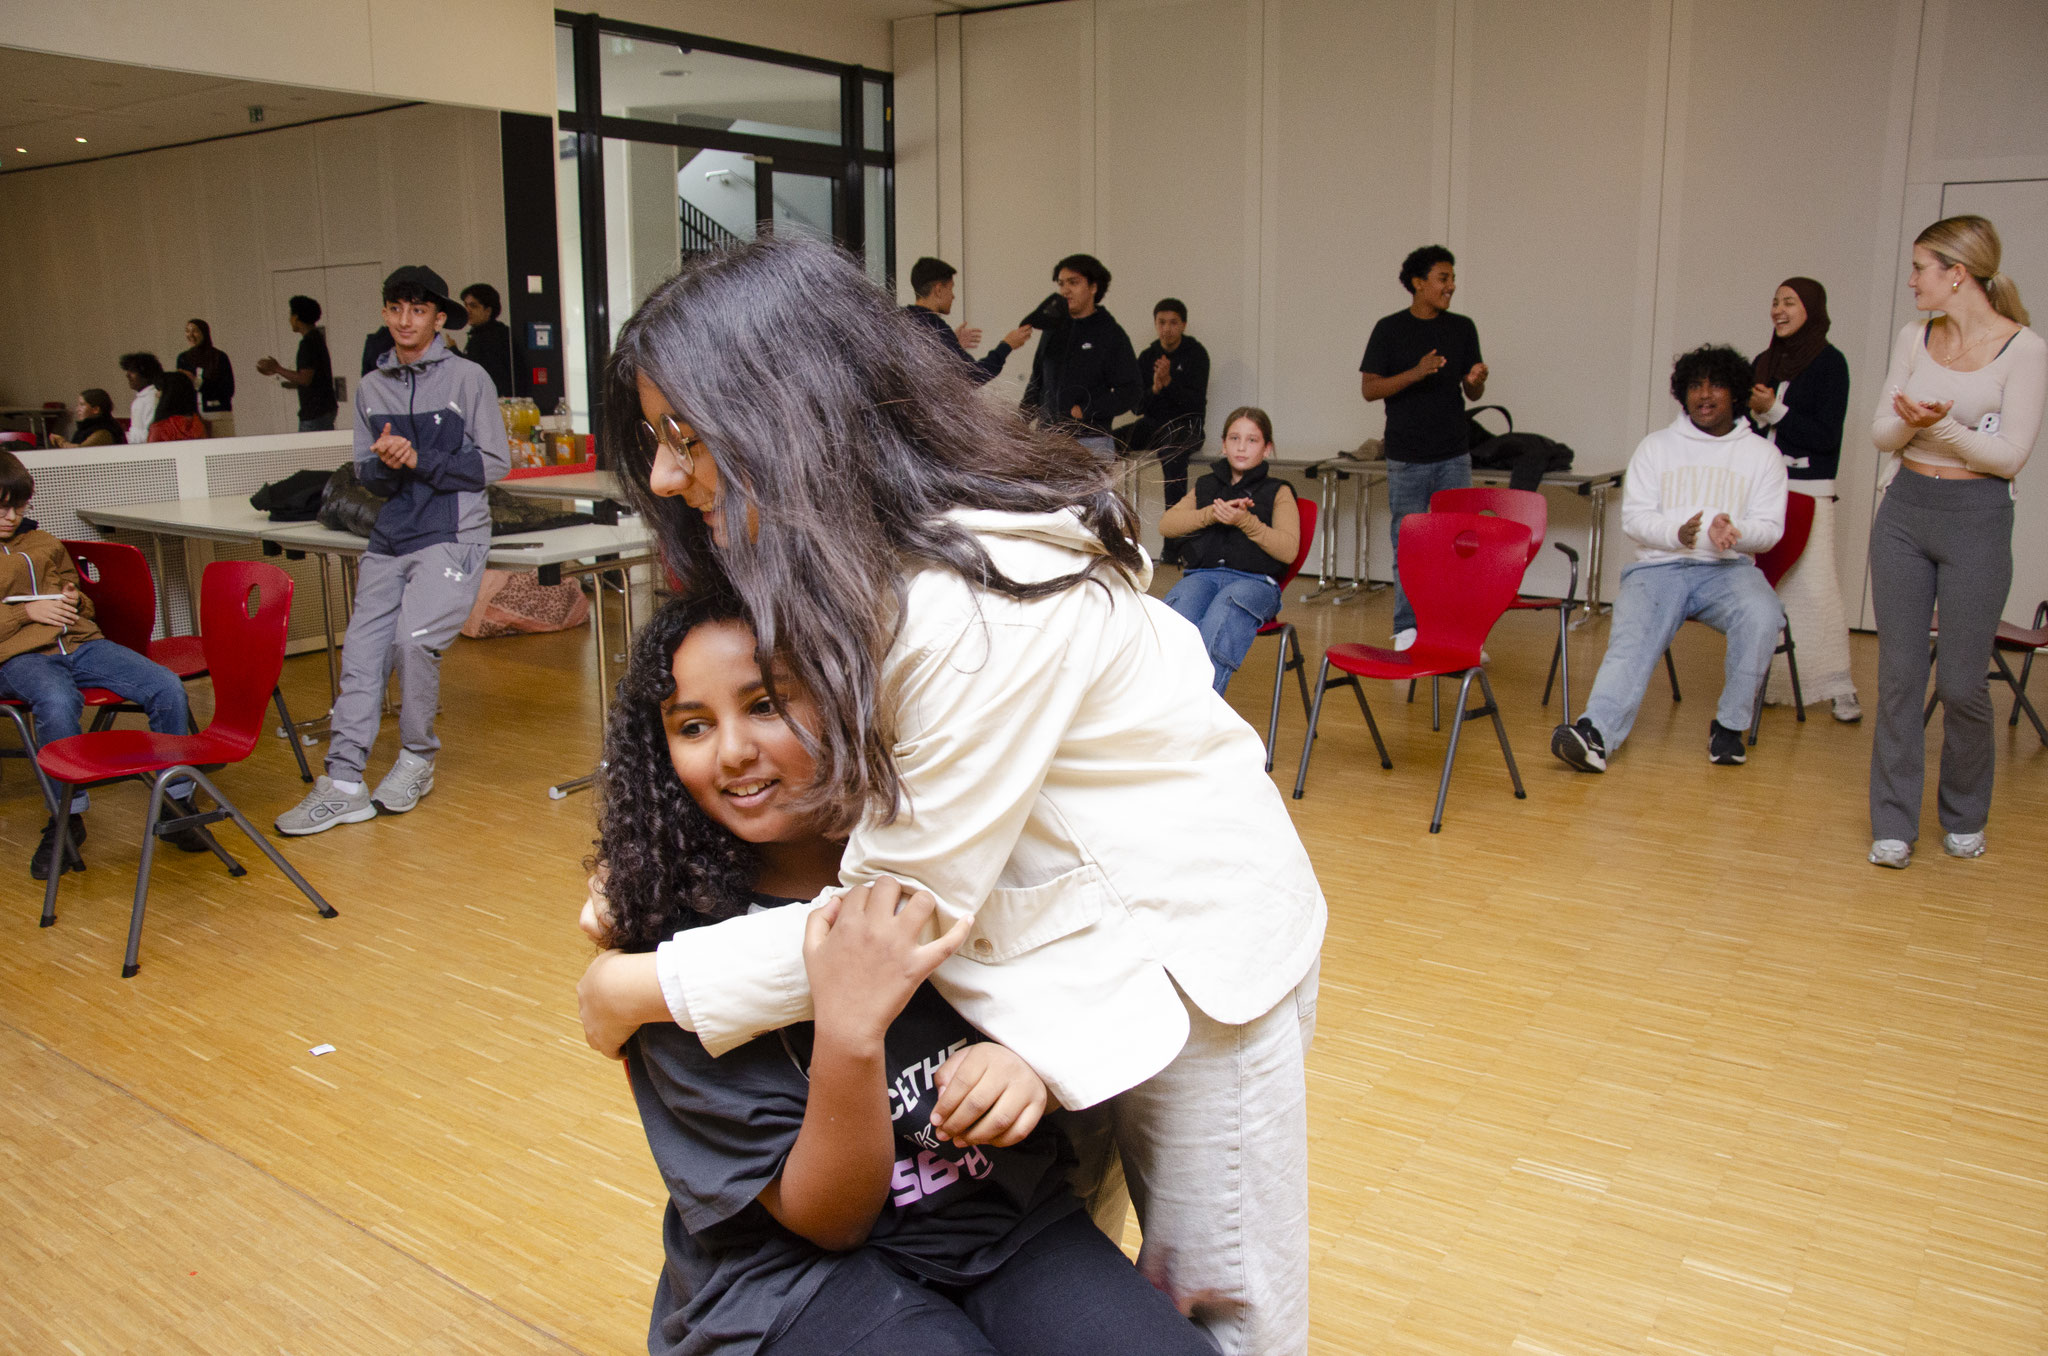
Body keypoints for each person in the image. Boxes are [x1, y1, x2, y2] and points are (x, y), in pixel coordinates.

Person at [575, 238, 1326, 1356]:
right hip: (1056, 951)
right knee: (1070, 1247)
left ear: (791, 412)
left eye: (688, 437)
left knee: (1214, 1314)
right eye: (660, 443)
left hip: (1182, 949)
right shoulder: (863, 551)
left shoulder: (971, 597)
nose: (672, 476)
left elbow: (891, 921)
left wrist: (642, 984)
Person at [587, 591, 1215, 1356]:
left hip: (995, 1221)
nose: (732, 752)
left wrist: (1030, 1062)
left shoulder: (961, 845)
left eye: (767, 705)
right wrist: (849, 1033)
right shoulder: (674, 944)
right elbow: (829, 1221)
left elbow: (1086, 971)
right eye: (693, 726)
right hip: (791, 1279)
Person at [274, 266, 509, 837]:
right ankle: (345, 782)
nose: (406, 320)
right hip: (390, 534)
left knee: (414, 642)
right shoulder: (371, 387)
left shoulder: (467, 378)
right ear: (385, 314)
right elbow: (367, 478)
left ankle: (416, 759)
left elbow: (495, 466)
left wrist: (418, 458)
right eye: (396, 309)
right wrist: (386, 462)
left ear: (438, 318)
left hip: (452, 534)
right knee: (361, 654)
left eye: (419, 310)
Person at [1866, 215, 2044, 870]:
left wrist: (1937, 430)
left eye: (1921, 269)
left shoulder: (2025, 348)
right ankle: (1892, 822)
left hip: (1977, 516)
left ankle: (1965, 814)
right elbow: (1882, 433)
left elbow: (2010, 455)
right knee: (1899, 676)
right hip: (1905, 511)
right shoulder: (1915, 336)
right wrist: (1910, 428)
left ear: (1957, 274)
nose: (1912, 281)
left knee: (1966, 682)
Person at [1551, 344, 1787, 773]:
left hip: (1728, 568)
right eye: (1695, 385)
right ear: (1683, 394)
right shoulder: (1656, 447)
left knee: (1763, 614)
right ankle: (1595, 734)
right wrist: (1676, 534)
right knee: (1633, 633)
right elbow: (1636, 518)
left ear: (1734, 392)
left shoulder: (1763, 456)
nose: (1705, 394)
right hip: (1658, 567)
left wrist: (1737, 532)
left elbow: (1770, 529)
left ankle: (1730, 727)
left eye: (1716, 385)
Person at [0, 450, 207, 879]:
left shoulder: (43, 542)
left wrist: (75, 600)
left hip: (81, 643)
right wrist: (26, 614)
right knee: (57, 702)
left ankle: (177, 802)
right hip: (20, 656)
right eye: (1, 507)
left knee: (166, 685)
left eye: (18, 507)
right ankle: (67, 818)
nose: (11, 516)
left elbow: (80, 595)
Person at [1360, 244, 1489, 650]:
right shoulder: (1389, 329)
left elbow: (1472, 390)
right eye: (1443, 278)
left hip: (1454, 453)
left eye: (1452, 278)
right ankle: (1407, 628)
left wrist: (1476, 378)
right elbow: (1369, 388)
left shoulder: (1462, 327)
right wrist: (1416, 372)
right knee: (1411, 545)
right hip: (1406, 456)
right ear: (1418, 283)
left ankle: (1459, 631)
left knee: (1459, 546)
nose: (1451, 285)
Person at [1748, 277, 1857, 722]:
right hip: (1766, 487)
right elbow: (1750, 434)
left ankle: (1837, 686)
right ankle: (1769, 681)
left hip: (1810, 488)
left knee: (1815, 586)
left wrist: (1774, 411)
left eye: (1789, 302)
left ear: (1811, 309)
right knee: (1766, 584)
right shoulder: (1763, 362)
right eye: (1774, 302)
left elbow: (1826, 437)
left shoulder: (1832, 364)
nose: (1779, 309)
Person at [1159, 408, 1299, 694]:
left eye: (1252, 440)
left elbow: (1288, 550)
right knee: (1177, 615)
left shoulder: (1279, 490)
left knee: (1225, 610)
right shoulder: (1206, 485)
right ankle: (1167, 710)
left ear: (1267, 448)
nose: (1241, 446)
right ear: (1223, 444)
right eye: (1234, 438)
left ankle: (1202, 713)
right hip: (1203, 575)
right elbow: (1167, 525)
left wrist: (1246, 522)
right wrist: (1212, 513)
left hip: (1255, 582)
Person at [1021, 253, 1141, 459]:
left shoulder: (1110, 333)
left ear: (1093, 287)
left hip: (1090, 443)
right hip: (1047, 440)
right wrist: (1020, 422)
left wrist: (1086, 409)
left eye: (1073, 283)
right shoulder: (1053, 328)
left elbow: (1131, 390)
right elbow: (1038, 381)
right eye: (1061, 284)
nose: (1065, 290)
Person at [1124, 299, 1211, 556]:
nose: (1167, 329)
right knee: (1108, 442)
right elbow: (1137, 406)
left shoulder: (1196, 354)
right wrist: (1155, 388)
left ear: (1183, 325)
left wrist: (1170, 382)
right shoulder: (1147, 357)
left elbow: (1196, 403)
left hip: (1187, 427)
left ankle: (1174, 547)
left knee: (1171, 455)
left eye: (1173, 323)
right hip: (1153, 426)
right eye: (1161, 323)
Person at [902, 257, 1033, 385]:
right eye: (951, 288)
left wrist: (952, 346)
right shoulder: (935, 327)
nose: (953, 296)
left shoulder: (901, 320)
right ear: (939, 290)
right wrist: (1007, 345)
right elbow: (974, 375)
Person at [256, 295, 338, 432]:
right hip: (325, 409)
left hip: (314, 413)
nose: (289, 320)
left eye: (291, 315)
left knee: (309, 453)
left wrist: (277, 368)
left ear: (296, 317)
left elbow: (305, 378)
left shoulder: (308, 343)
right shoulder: (317, 338)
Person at [175, 318, 236, 436]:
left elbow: (228, 389)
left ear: (204, 333)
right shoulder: (183, 358)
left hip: (218, 415)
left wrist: (198, 382)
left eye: (195, 331)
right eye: (187, 331)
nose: (190, 335)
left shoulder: (219, 357)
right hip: (193, 417)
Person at [459, 283, 515, 397]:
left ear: (488, 310)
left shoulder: (494, 337)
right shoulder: (479, 334)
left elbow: (488, 374)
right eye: (466, 305)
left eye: (473, 306)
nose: (467, 310)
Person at [145, 371, 209, 442]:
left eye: (159, 390)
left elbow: (151, 452)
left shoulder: (160, 428)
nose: (156, 394)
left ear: (169, 395)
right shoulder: (199, 424)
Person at [49, 390, 123, 447]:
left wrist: (61, 441)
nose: (77, 409)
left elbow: (81, 451)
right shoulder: (86, 428)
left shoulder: (104, 431)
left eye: (82, 405)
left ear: (96, 409)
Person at [118, 352, 162, 444]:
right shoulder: (141, 399)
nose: (127, 375)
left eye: (132, 371)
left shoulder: (152, 399)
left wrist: (121, 436)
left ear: (146, 374)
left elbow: (150, 435)